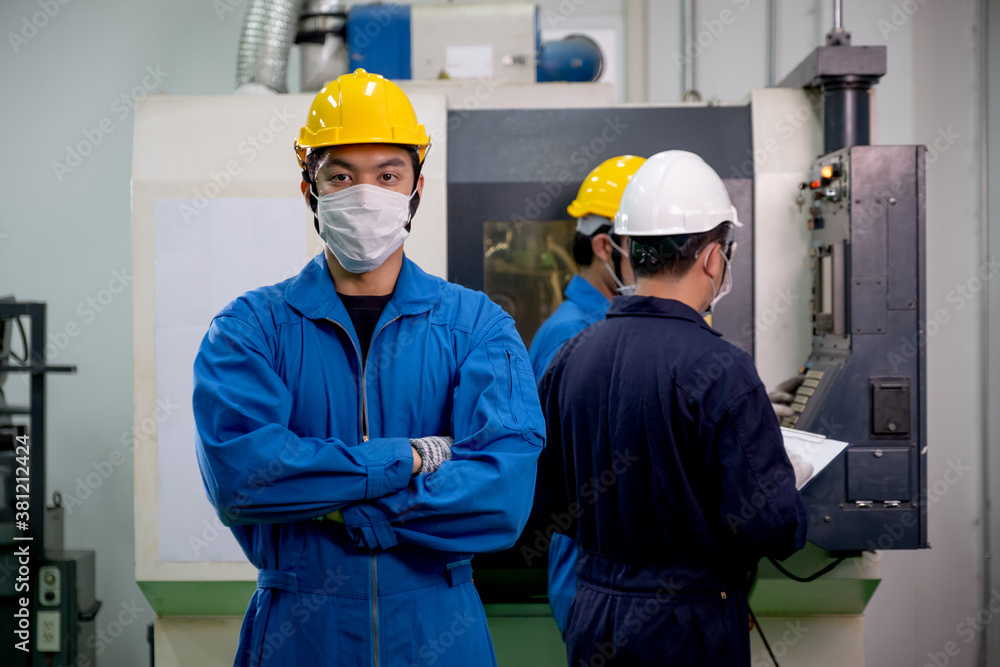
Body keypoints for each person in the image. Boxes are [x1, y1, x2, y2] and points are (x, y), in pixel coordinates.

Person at [193, 68, 544, 667]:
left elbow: (501, 496)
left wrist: (338, 507)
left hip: (437, 630)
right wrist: (406, 459)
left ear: (416, 189)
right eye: (341, 176)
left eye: (387, 175)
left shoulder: (478, 327)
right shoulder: (251, 329)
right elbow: (244, 478)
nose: (365, 193)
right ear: (310, 191)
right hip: (301, 635)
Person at [536, 150, 808, 666]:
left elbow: (548, 503)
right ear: (712, 257)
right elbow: (775, 529)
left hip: (593, 615)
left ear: (629, 250)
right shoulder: (722, 368)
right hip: (688, 625)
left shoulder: (572, 355)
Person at [526, 155, 643, 639]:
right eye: (652, 248)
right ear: (604, 245)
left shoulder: (608, 327)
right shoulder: (573, 336)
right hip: (591, 577)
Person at [528, 155, 643, 379]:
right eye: (642, 245)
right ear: (603, 246)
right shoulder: (573, 336)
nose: (654, 259)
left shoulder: (601, 325)